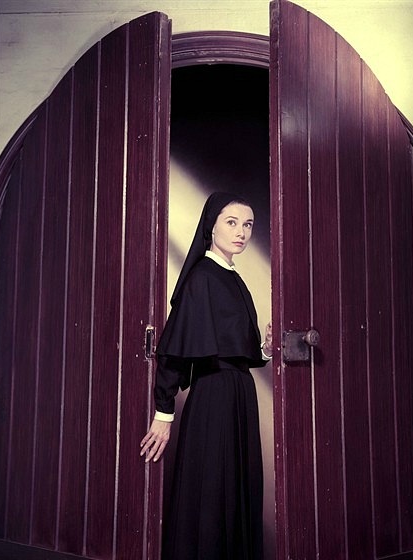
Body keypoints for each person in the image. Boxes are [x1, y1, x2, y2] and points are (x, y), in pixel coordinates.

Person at [140, 192, 272, 560]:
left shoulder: (233, 277)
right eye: (232, 222)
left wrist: (265, 348)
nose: (241, 232)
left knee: (237, 488)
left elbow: (236, 350)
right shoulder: (202, 277)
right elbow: (174, 351)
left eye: (248, 224)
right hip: (213, 397)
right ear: (211, 226)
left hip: (240, 395)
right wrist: (163, 414)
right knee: (213, 490)